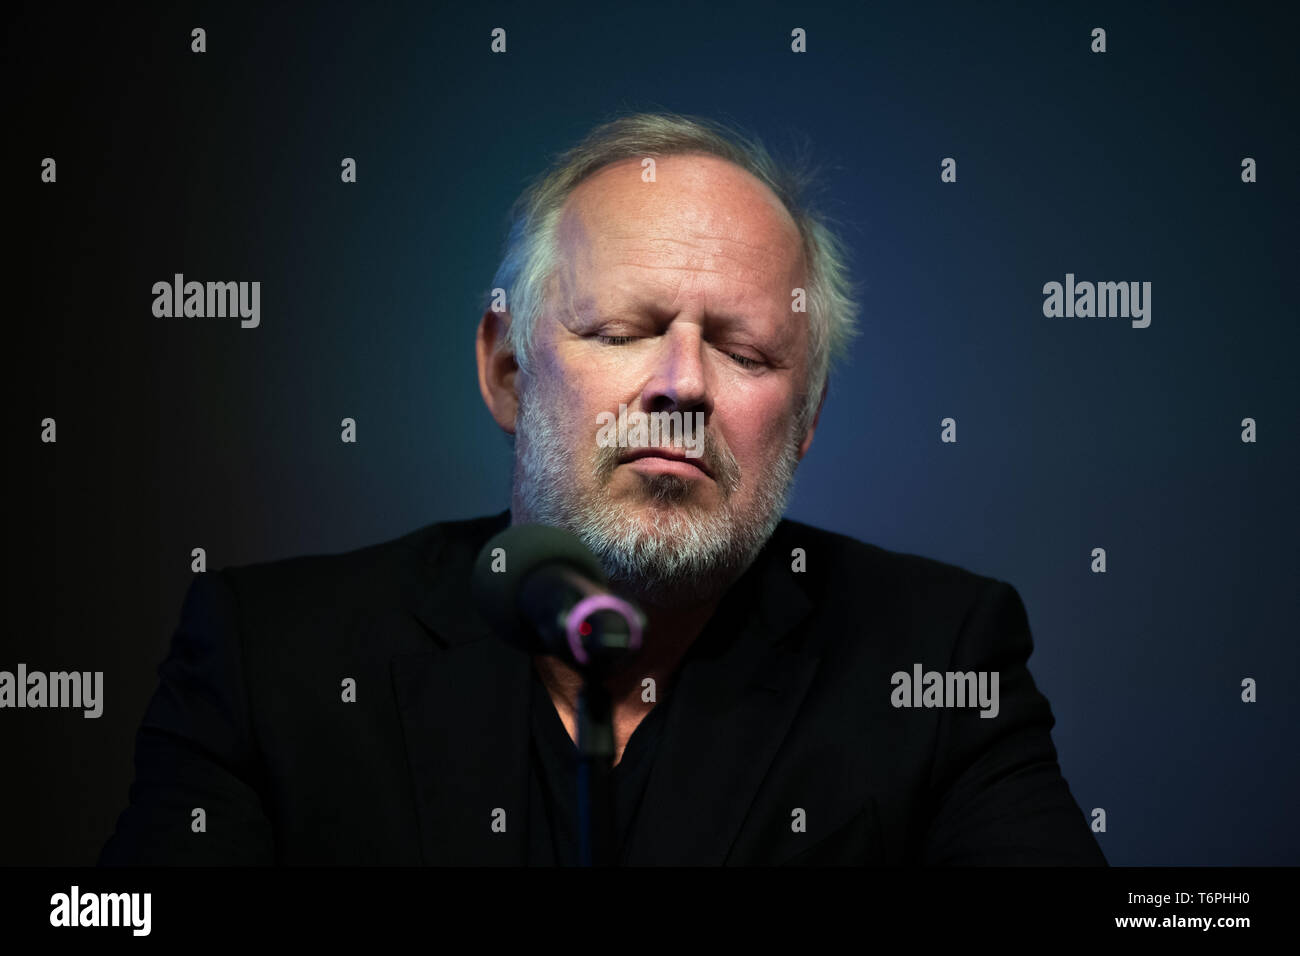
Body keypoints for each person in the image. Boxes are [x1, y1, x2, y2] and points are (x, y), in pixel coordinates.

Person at [100, 112, 1105, 866]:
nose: (679, 382)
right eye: (618, 332)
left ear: (804, 422)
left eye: (743, 348)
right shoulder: (267, 655)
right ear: (506, 371)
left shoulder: (941, 658)